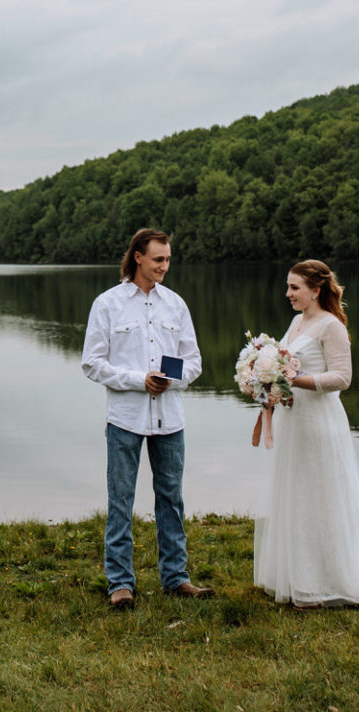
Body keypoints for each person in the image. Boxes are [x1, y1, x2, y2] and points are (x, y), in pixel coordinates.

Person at [252, 259, 359, 608]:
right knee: (296, 495)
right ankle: (297, 576)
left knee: (319, 496)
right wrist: (266, 382)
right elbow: (282, 363)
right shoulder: (297, 321)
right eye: (288, 287)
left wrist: (295, 381)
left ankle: (324, 581)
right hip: (293, 422)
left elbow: (342, 378)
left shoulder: (331, 326)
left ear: (316, 289)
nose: (288, 294)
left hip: (319, 423)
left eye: (295, 288)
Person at [81, 228, 213, 609]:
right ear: (137, 257)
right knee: (120, 500)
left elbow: (194, 361)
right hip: (125, 418)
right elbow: (92, 363)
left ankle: (176, 578)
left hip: (170, 419)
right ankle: (120, 583)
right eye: (158, 259)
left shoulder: (175, 304)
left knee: (171, 500)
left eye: (168, 259)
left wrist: (171, 379)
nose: (164, 266)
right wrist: (139, 381)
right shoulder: (107, 304)